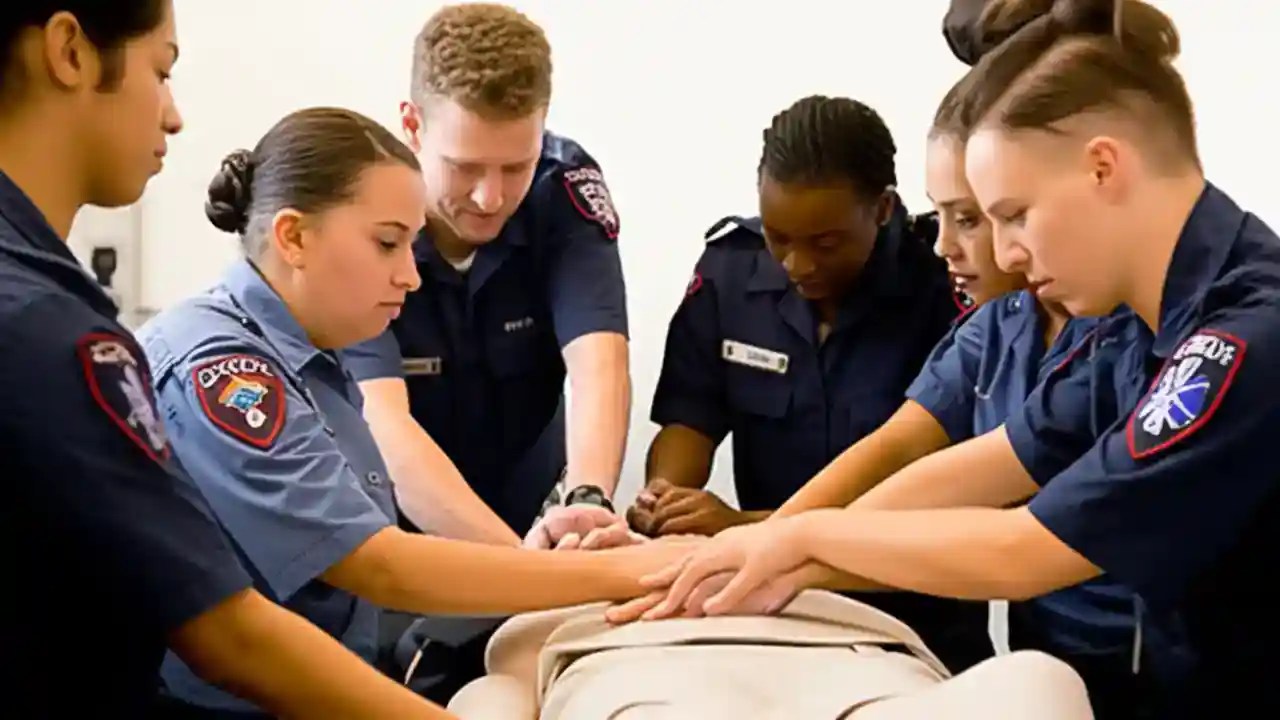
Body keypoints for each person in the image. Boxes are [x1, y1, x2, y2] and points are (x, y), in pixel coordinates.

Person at [634, 0, 1279, 716]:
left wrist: (797, 541)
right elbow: (974, 468)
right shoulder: (1128, 333)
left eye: (1011, 215)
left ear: (1102, 167)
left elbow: (1024, 548)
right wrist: (763, 553)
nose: (1001, 255)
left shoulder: (1241, 341)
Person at [0, 3, 501, 718]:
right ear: (70, 52)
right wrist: (618, 572)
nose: (172, 116)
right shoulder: (60, 332)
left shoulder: (323, 361)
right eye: (161, 70)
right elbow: (237, 631)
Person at [136, 106, 689, 717]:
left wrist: (534, 560)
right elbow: (379, 566)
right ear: (293, 237)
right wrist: (641, 568)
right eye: (387, 243)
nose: (411, 275)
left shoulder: (312, 351)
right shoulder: (227, 372)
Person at [627, 94, 993, 673]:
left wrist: (751, 530)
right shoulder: (730, 272)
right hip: (769, 617)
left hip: (915, 622)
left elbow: (950, 495)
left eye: (825, 244)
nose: (798, 264)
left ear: (882, 209)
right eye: (780, 238)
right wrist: (664, 500)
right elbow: (689, 420)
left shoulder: (950, 291)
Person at [346, 2, 631, 550]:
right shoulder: (361, 213)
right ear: (412, 126)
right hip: (396, 536)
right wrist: (520, 573)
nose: (491, 197)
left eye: (516, 166)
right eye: (465, 167)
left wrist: (589, 501)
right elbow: (386, 425)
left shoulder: (563, 193)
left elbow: (599, 365)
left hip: (537, 520)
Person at [447, 591, 1095, 720]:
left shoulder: (799, 575)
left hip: (860, 664)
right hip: (653, 687)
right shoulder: (561, 615)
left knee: (1036, 682)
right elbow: (493, 694)